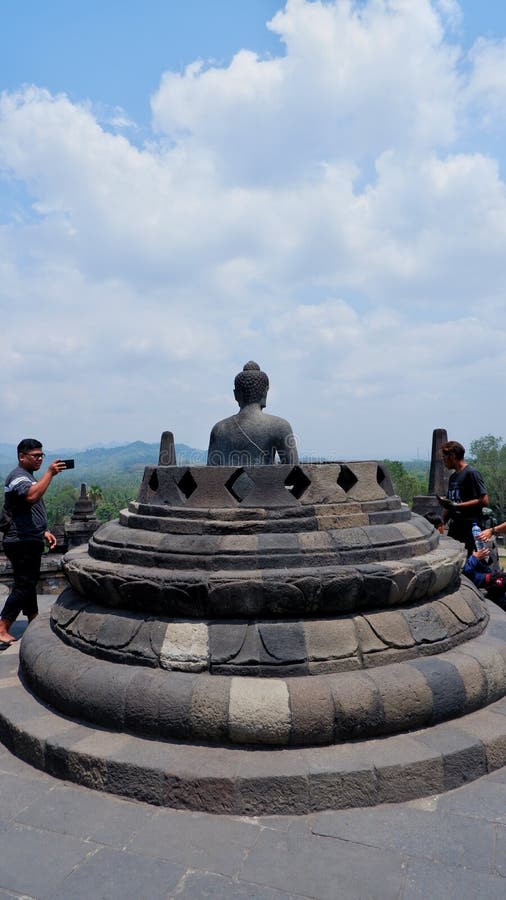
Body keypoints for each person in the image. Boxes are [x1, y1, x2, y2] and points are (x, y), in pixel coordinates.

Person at [0, 439, 67, 648]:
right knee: (24, 584)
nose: (39, 459)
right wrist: (50, 473)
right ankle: (2, 628)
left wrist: (43, 531)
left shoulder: (27, 476)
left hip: (29, 537)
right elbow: (31, 496)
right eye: (35, 455)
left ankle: (33, 619)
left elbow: (26, 510)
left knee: (28, 582)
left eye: (41, 455)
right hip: (20, 541)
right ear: (22, 456)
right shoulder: (18, 476)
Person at [207, 361, 298, 466]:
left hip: (226, 483)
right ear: (265, 392)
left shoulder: (219, 429)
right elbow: (294, 469)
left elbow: (210, 470)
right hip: (265, 482)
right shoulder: (280, 426)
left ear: (236, 395)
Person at [438, 440, 488, 556]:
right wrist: (440, 521)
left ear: (453, 456)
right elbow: (451, 503)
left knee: (471, 560)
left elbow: (484, 500)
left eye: (444, 457)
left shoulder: (471, 473)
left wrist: (458, 505)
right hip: (456, 526)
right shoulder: (453, 477)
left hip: (470, 527)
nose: (443, 460)